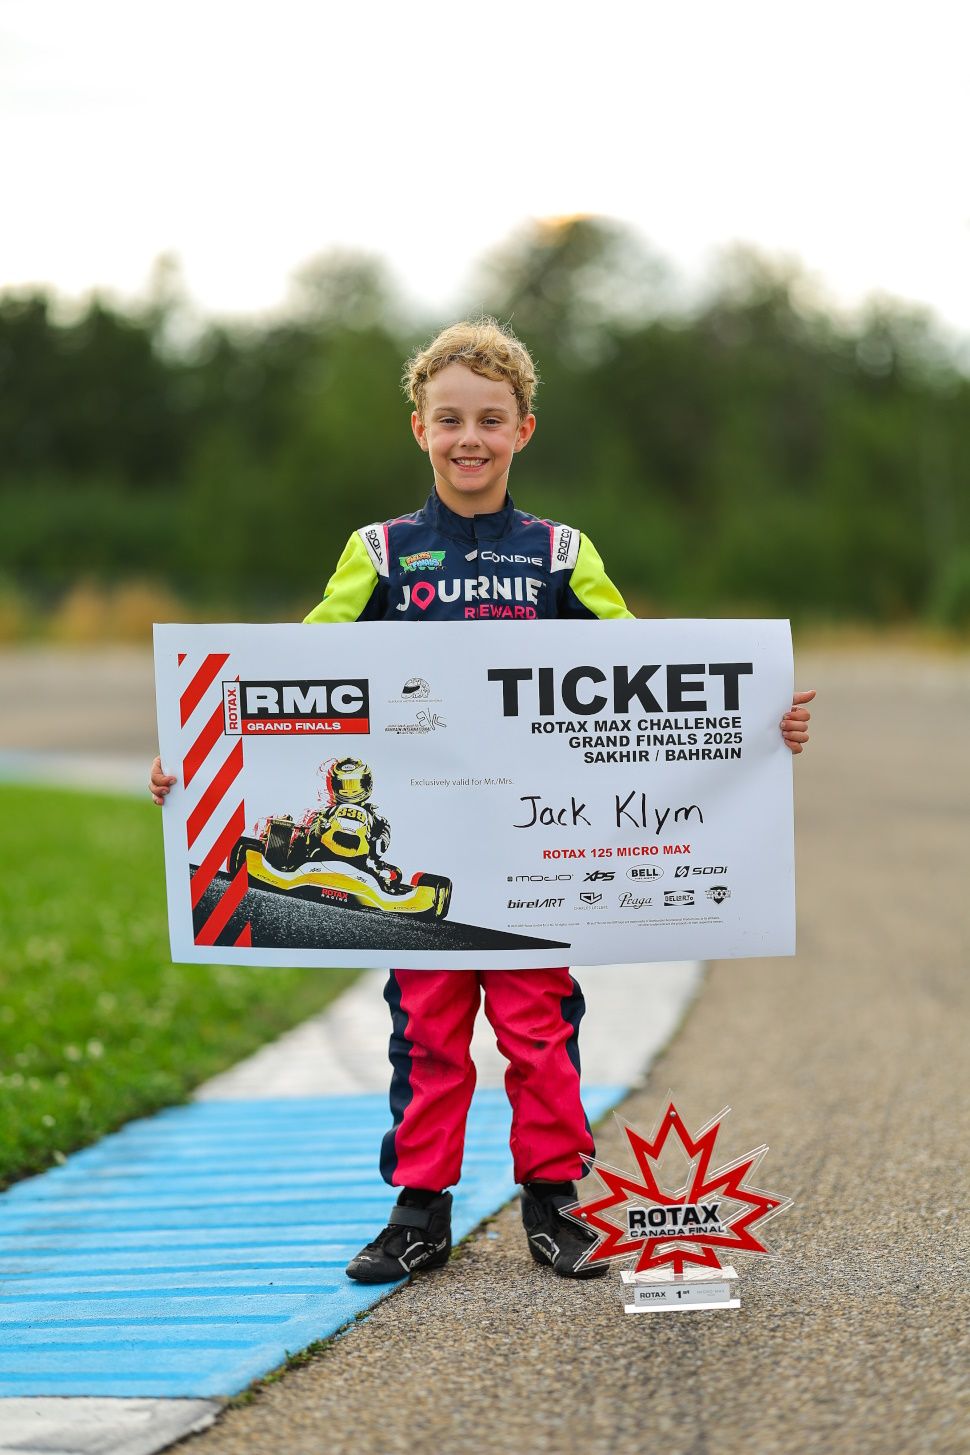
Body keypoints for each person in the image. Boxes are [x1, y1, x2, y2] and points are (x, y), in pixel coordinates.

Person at [151, 318, 814, 1283]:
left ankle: (555, 1206)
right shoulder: (376, 553)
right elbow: (278, 682)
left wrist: (761, 718)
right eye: (449, 418)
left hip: (531, 862)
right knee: (426, 1036)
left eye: (491, 420)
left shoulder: (562, 553)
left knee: (539, 1033)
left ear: (524, 432)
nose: (470, 437)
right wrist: (191, 764)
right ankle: (419, 1212)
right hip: (415, 846)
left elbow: (654, 671)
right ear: (417, 427)